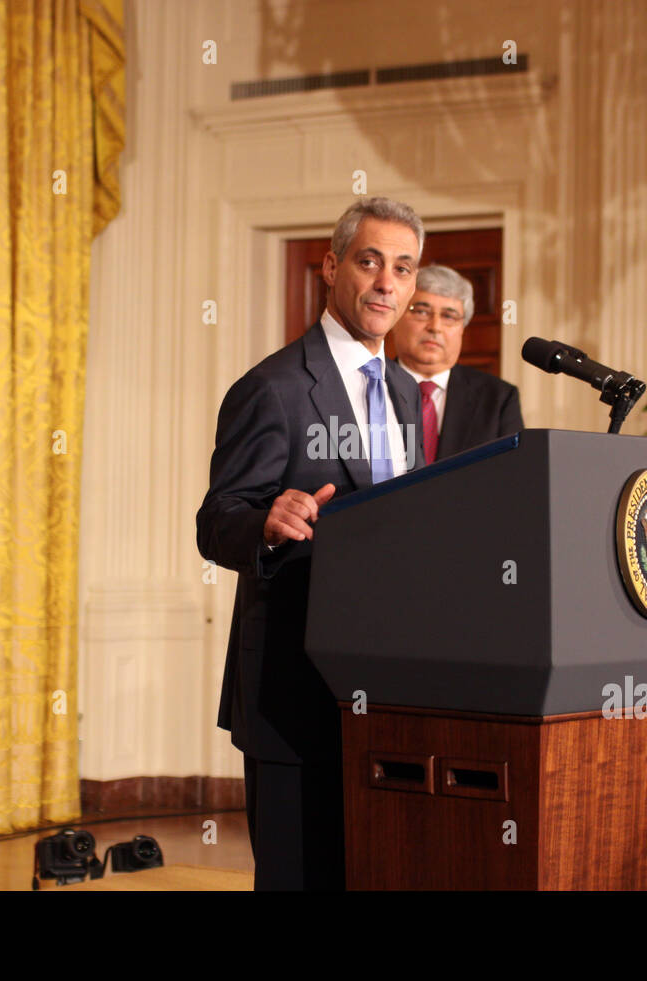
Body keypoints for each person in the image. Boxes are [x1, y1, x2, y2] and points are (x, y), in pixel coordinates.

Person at [197, 197, 426, 890]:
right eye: (370, 261)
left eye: (405, 267)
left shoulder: (408, 395)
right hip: (293, 691)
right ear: (332, 267)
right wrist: (265, 518)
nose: (388, 282)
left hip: (385, 691)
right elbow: (216, 520)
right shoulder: (273, 388)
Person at [389, 264, 524, 461]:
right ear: (396, 318)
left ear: (462, 328)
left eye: (449, 316)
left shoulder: (498, 399)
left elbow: (515, 475)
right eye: (421, 311)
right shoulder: (371, 385)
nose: (435, 327)